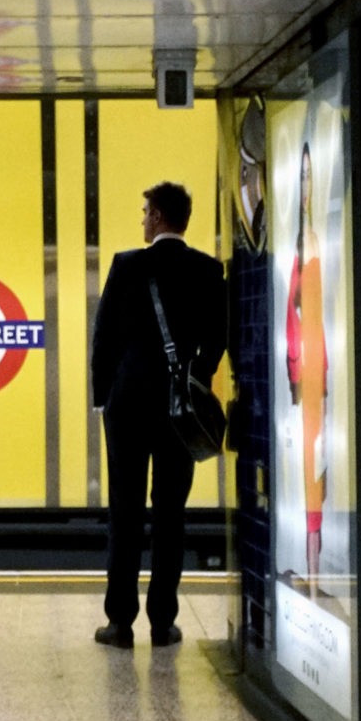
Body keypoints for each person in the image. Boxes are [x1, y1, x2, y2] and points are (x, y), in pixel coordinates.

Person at [90, 182, 226, 648]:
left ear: (161, 217)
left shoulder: (127, 266)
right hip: (179, 411)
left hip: (127, 406)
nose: (143, 219)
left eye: (146, 211)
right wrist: (196, 376)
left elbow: (104, 335)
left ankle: (119, 622)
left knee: (124, 512)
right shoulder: (207, 270)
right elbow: (218, 338)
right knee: (171, 513)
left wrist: (101, 396)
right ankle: (163, 622)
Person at [286, 144, 329, 601]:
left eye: (308, 177)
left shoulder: (313, 244)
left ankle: (316, 573)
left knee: (315, 468)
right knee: (308, 469)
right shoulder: (300, 247)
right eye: (300, 178)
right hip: (305, 375)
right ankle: (311, 571)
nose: (304, 187)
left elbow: (309, 313)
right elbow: (291, 316)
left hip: (316, 374)